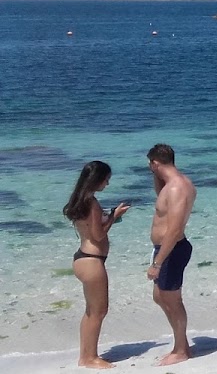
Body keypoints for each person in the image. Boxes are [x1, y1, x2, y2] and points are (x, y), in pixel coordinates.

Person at [63, 160, 130, 369]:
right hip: (93, 262)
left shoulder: (78, 200)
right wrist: (114, 216)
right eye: (106, 180)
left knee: (91, 311)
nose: (107, 184)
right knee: (99, 311)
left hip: (83, 258)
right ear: (98, 179)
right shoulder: (92, 203)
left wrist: (109, 217)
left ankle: (86, 355)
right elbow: (98, 234)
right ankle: (90, 357)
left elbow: (90, 229)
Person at [146, 144, 197, 366]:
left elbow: (174, 230)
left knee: (172, 300)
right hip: (168, 249)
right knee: (160, 296)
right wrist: (157, 176)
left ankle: (180, 349)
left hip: (171, 250)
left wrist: (157, 263)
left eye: (151, 165)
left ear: (155, 163)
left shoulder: (176, 188)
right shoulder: (174, 185)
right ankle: (181, 343)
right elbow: (161, 198)